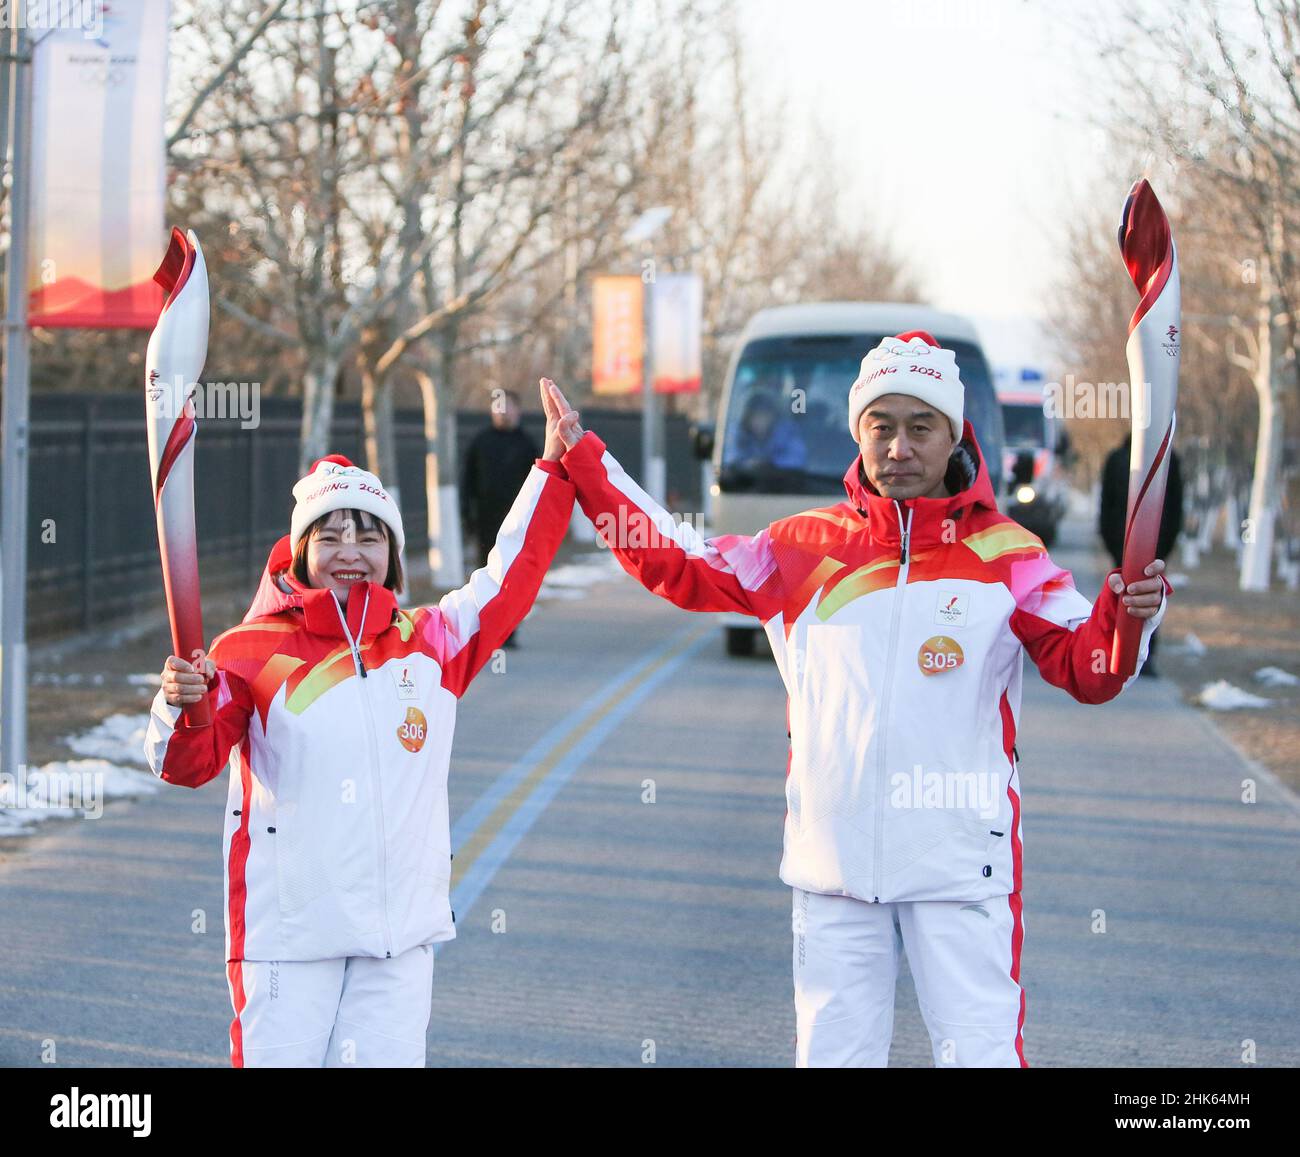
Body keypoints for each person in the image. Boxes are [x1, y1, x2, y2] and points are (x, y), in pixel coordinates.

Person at [538, 331, 1171, 1068]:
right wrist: (587, 460)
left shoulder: (1010, 556)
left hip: (959, 869)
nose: (899, 447)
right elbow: (676, 561)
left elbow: (1090, 669)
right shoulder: (802, 548)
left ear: (952, 434)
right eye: (882, 426)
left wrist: (1129, 615)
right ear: (859, 432)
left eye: (920, 427)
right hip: (833, 870)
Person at [143, 396, 575, 1067]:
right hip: (286, 940)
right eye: (331, 535)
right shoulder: (247, 650)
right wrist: (179, 702)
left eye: (369, 536)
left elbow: (509, 575)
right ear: (302, 550)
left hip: (397, 943)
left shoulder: (433, 641)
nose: (351, 552)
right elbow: (189, 762)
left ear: (392, 553)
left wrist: (551, 466)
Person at [1099, 434, 1183, 677]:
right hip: (1124, 547)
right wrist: (1115, 545)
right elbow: (1107, 505)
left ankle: (1144, 655)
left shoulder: (1169, 460)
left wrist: (1163, 547)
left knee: (1150, 599)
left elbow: (1175, 506)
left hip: (1153, 549)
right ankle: (1118, 652)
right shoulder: (1117, 459)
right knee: (1126, 596)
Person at [728, 390, 808, 472]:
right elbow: (729, 458)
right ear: (747, 418)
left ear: (773, 417)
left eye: (763, 416)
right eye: (754, 416)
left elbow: (797, 459)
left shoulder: (787, 433)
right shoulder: (741, 435)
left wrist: (769, 464)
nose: (759, 421)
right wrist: (745, 464)